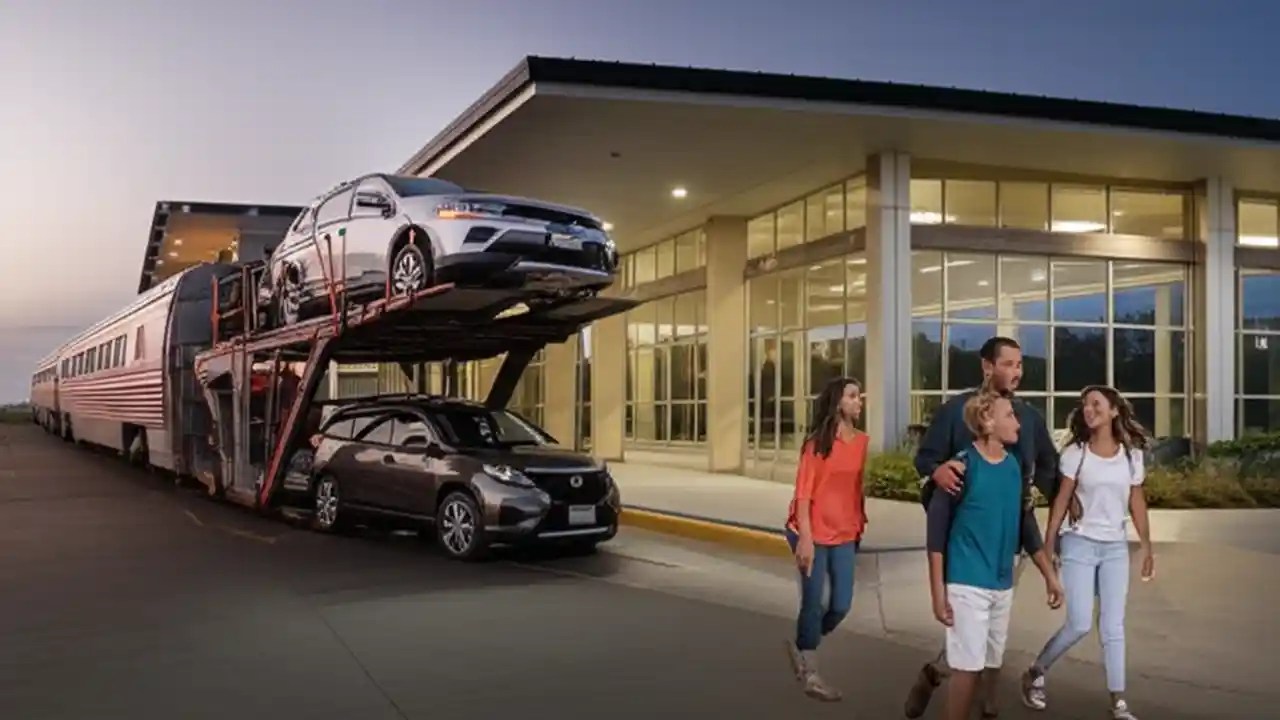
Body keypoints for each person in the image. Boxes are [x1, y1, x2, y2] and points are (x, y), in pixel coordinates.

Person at [905, 336, 1060, 718]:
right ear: (987, 366)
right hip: (967, 545)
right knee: (969, 645)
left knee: (990, 641)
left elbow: (1048, 472)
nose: (1017, 372)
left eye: (1021, 365)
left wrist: (1072, 500)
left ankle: (980, 697)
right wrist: (936, 472)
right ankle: (954, 686)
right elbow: (926, 460)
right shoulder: (956, 412)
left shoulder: (1026, 419)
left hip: (1008, 545)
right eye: (1009, 364)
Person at [1020, 385, 1155, 720]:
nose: (1088, 410)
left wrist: (1147, 545)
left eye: (1096, 404)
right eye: (1084, 405)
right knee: (1079, 623)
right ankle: (1036, 672)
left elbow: (1136, 500)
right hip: (1079, 543)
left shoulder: (1130, 456)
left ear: (1113, 411)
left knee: (1113, 626)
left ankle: (1118, 700)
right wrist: (1049, 546)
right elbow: (1061, 502)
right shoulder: (1075, 454)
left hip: (1114, 548)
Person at [783, 376, 869, 702]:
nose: (859, 402)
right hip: (811, 531)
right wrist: (805, 538)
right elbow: (803, 495)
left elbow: (856, 490)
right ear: (837, 403)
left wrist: (860, 524)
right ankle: (811, 670)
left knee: (841, 604)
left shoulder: (861, 442)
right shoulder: (816, 444)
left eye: (859, 397)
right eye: (852, 396)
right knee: (814, 601)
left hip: (846, 532)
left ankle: (805, 645)